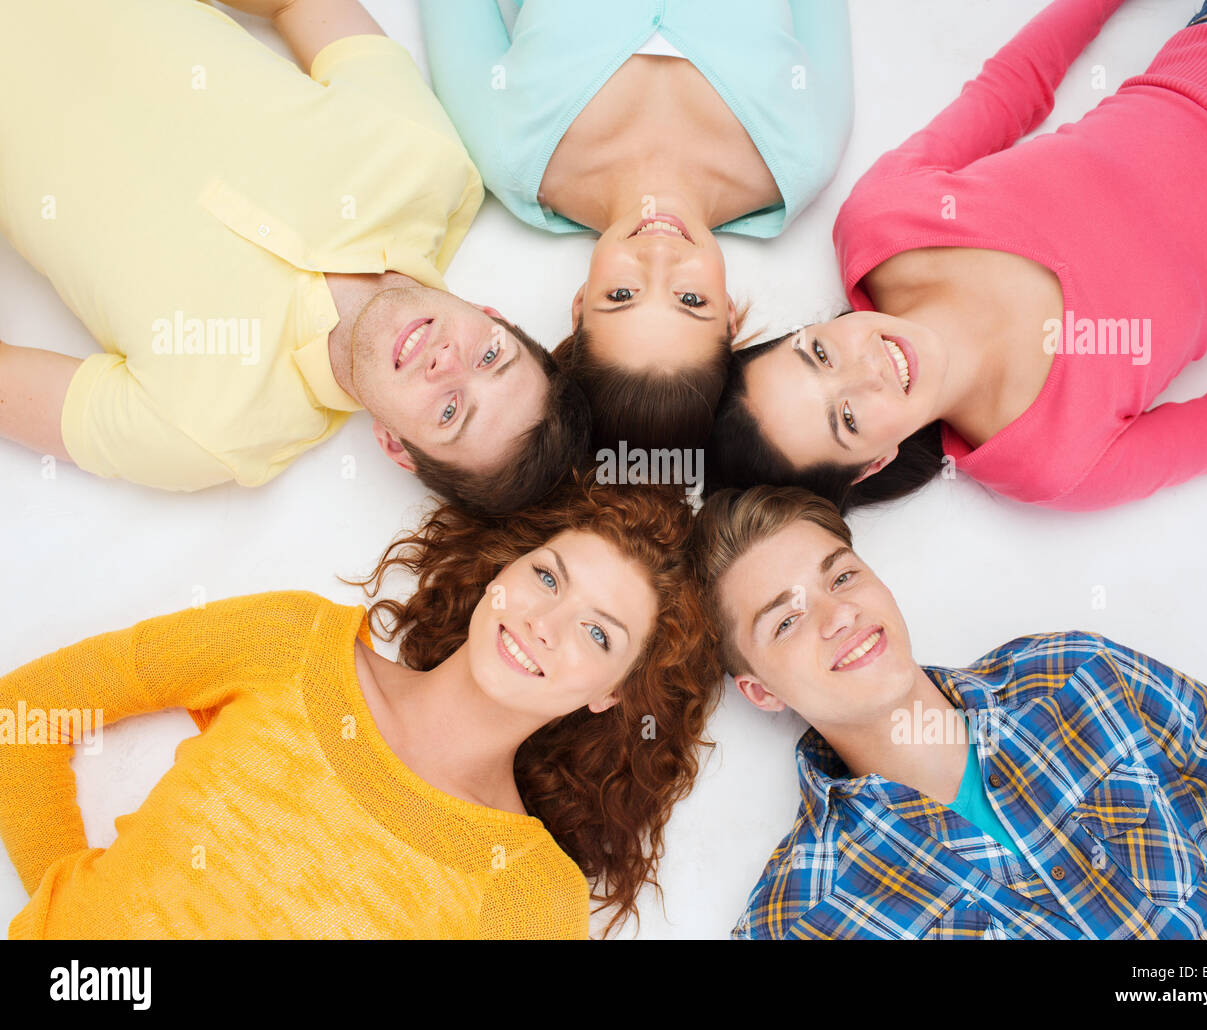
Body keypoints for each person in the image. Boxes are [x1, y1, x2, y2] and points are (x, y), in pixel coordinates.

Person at [0, 475, 719, 938]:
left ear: (610, 693)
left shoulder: (528, 896)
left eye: (597, 633)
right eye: (547, 578)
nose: (545, 622)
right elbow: (26, 711)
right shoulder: (292, 641)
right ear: (501, 571)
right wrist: (67, 917)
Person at [709, 0, 1207, 512]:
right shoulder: (1052, 462)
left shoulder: (879, 223)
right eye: (848, 419)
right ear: (873, 465)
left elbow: (1012, 87)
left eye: (818, 353)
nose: (868, 370)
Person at [0, 0, 589, 514]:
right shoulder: (429, 162)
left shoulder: (208, 432)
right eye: (490, 355)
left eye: (449, 413)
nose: (446, 364)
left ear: (393, 447)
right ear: (491, 313)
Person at [691, 485, 1207, 938]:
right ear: (761, 692)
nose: (839, 616)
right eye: (788, 620)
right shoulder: (799, 919)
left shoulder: (1078, 676)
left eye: (843, 577)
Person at [420, 0, 852, 451]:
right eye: (690, 299)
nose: (660, 256)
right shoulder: (804, 153)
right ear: (728, 315)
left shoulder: (508, 153)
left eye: (622, 295)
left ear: (581, 304)